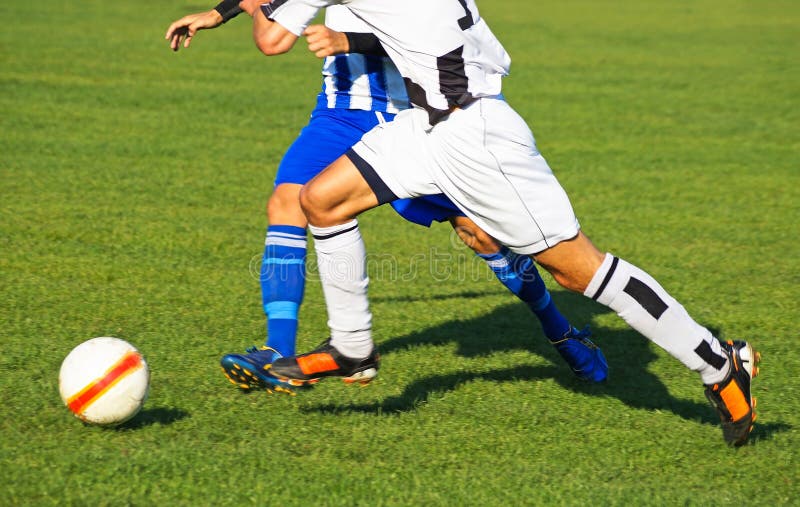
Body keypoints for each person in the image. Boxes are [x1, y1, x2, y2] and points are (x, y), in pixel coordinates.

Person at [213, 0, 762, 447]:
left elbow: (275, 37)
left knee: (579, 271)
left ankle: (718, 363)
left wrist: (241, 7)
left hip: (475, 134)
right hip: (422, 126)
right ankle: (352, 348)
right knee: (322, 200)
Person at [164, 3, 609, 393]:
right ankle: (277, 354)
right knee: (287, 202)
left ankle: (559, 329)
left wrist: (343, 40)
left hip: (414, 114)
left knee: (479, 235)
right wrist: (220, 13)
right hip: (340, 111)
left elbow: (420, 34)